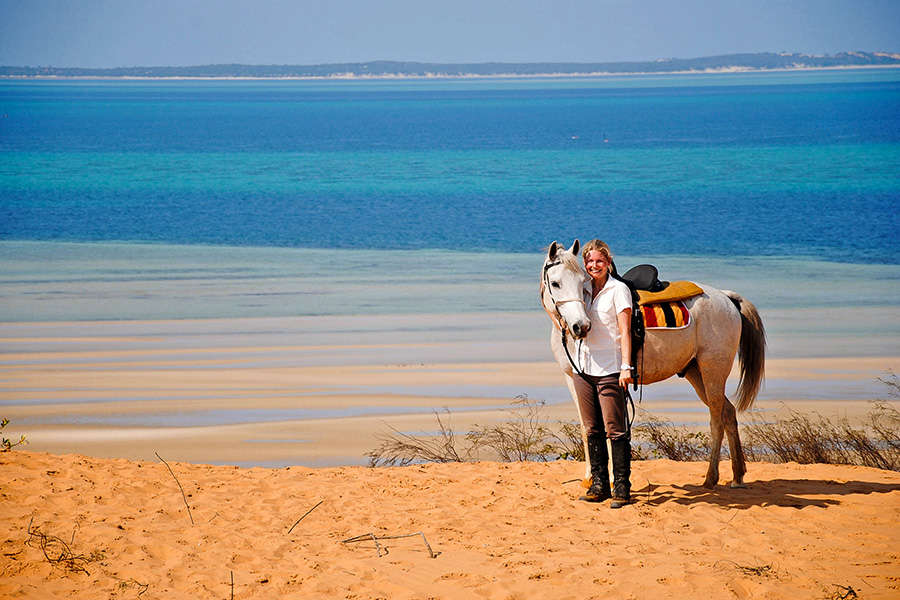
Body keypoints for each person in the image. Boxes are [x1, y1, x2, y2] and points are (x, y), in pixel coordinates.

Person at [574, 239, 634, 509]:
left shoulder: (619, 290)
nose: (594, 265)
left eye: (599, 261)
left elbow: (625, 331)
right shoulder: (583, 289)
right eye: (589, 261)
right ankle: (599, 484)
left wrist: (626, 367)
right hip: (583, 368)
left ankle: (622, 487)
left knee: (616, 430)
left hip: (610, 367)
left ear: (608, 262)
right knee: (592, 428)